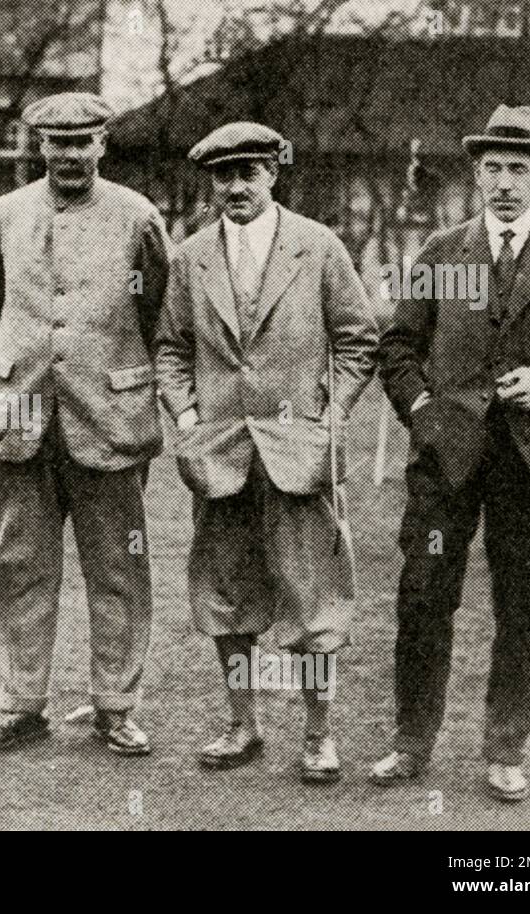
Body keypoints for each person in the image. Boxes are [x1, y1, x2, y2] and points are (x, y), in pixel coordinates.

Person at [374, 105, 530, 802]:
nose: (505, 183)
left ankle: (505, 749)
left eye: (519, 169)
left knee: (524, 610)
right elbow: (399, 347)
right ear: (476, 174)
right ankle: (411, 743)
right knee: (423, 598)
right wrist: (423, 412)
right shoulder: (441, 254)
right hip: (446, 462)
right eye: (492, 168)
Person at [155, 121, 378, 783]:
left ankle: (319, 735)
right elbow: (170, 349)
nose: (235, 187)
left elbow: (358, 339)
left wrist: (330, 414)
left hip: (298, 452)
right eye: (223, 176)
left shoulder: (318, 246)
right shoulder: (190, 257)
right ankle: (242, 725)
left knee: (313, 599)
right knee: (225, 595)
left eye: (248, 173)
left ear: (273, 174)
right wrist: (188, 417)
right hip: (219, 455)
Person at [0, 92, 171, 756]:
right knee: (20, 566)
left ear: (103, 144)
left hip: (109, 419)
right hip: (22, 416)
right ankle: (19, 705)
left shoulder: (137, 216)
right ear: (41, 146)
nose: (71, 154)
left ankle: (115, 706)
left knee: (118, 570)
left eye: (83, 142)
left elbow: (160, 316)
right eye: (58, 142)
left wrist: (121, 377)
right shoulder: (6, 214)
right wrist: (10, 376)